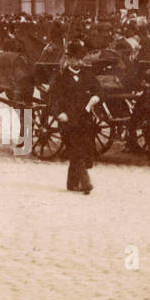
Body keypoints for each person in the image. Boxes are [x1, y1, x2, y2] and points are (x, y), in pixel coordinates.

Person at [54, 40, 99, 194]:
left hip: (85, 120)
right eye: (77, 59)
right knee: (77, 150)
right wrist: (59, 113)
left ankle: (72, 184)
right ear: (69, 59)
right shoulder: (61, 78)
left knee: (80, 150)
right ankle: (86, 183)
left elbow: (99, 90)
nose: (80, 62)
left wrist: (96, 98)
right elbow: (53, 98)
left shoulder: (88, 75)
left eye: (82, 59)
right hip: (68, 120)